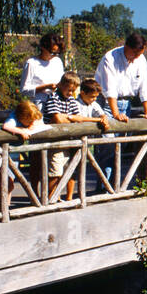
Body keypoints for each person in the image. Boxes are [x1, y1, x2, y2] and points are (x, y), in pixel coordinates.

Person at [43, 72, 110, 200]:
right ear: (61, 85)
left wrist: (70, 118)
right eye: (69, 90)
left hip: (67, 138)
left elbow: (77, 118)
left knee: (69, 169)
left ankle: (66, 198)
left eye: (73, 90)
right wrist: (72, 118)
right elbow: (57, 119)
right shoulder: (53, 97)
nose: (70, 93)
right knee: (55, 171)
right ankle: (50, 199)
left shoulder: (71, 99)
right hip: (55, 139)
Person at [94, 32, 147, 127]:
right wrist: (116, 114)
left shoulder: (141, 60)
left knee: (123, 140)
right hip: (106, 104)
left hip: (126, 105)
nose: (136, 57)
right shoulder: (110, 58)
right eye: (135, 53)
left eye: (139, 54)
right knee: (108, 138)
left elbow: (144, 88)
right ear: (126, 47)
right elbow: (109, 90)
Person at [0, 99, 51, 197]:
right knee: (7, 182)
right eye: (29, 121)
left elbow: (38, 122)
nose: (31, 123)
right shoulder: (13, 118)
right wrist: (21, 131)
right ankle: (4, 206)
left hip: (15, 151)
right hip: (7, 152)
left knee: (11, 180)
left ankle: (6, 205)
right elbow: (6, 126)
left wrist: (31, 125)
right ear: (21, 117)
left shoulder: (28, 118)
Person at [19, 32, 65, 110]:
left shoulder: (57, 61)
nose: (54, 56)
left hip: (57, 102)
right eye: (52, 52)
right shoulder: (31, 63)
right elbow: (24, 90)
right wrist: (45, 87)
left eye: (57, 53)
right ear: (43, 48)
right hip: (39, 104)